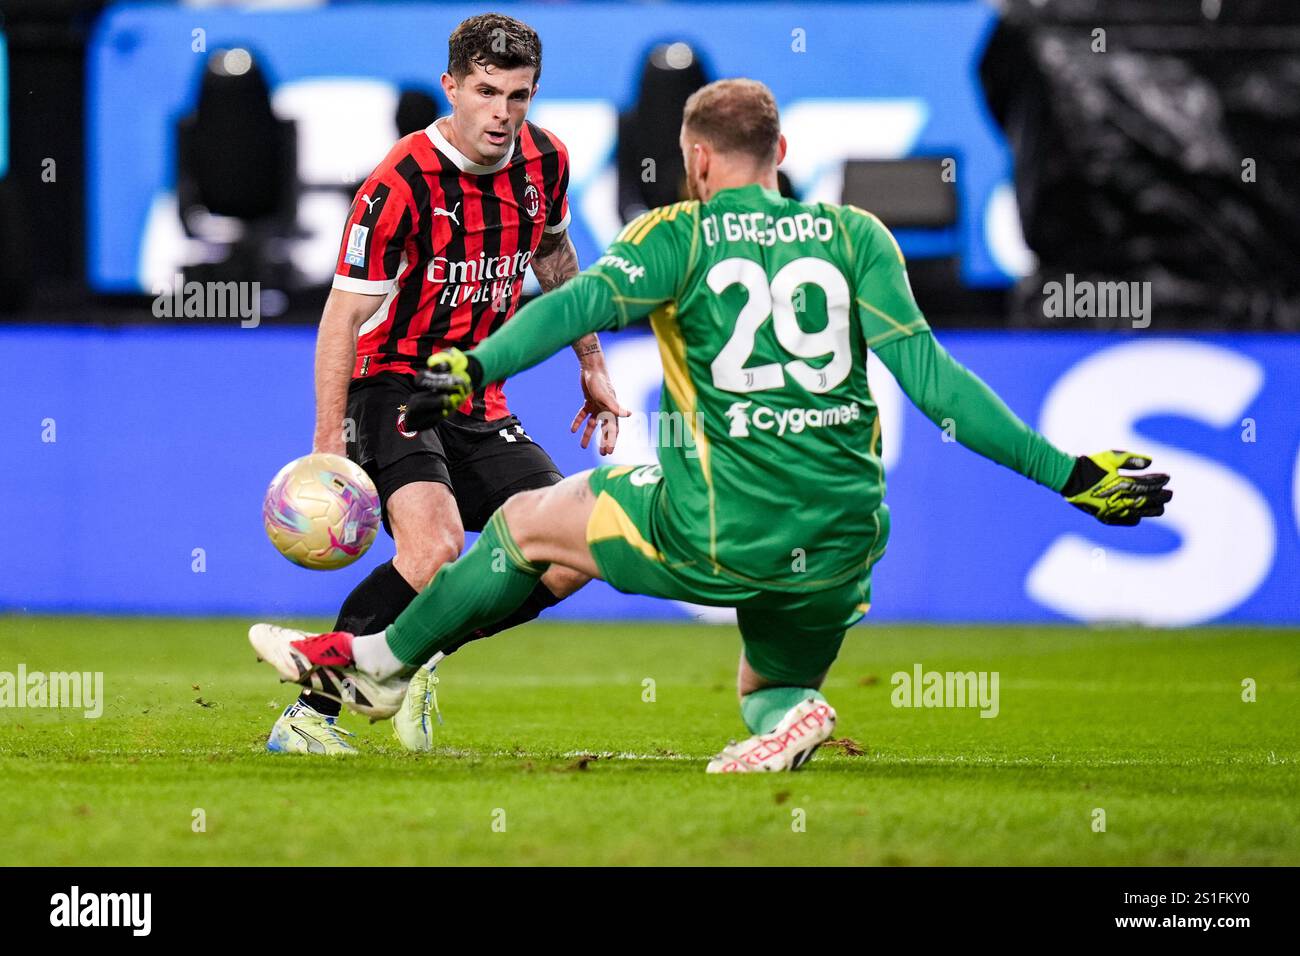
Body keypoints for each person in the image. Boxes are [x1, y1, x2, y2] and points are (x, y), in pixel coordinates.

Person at [250, 78, 1171, 772]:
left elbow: (572, 308)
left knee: (530, 526)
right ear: (782, 151)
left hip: (721, 524)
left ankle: (372, 664)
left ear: (695, 160)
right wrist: (1071, 475)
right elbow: (941, 390)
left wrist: (476, 366)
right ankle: (792, 717)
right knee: (765, 685)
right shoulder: (858, 239)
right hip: (847, 539)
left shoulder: (676, 236)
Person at [259, 13, 628, 755]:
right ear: (451, 87)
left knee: (576, 550)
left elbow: (555, 258)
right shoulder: (400, 182)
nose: (501, 113)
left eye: (518, 96)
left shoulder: (546, 161)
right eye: (486, 92)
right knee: (436, 549)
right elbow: (341, 319)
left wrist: (590, 359)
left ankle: (410, 654)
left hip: (476, 393)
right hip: (391, 384)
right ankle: (307, 717)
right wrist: (329, 444)